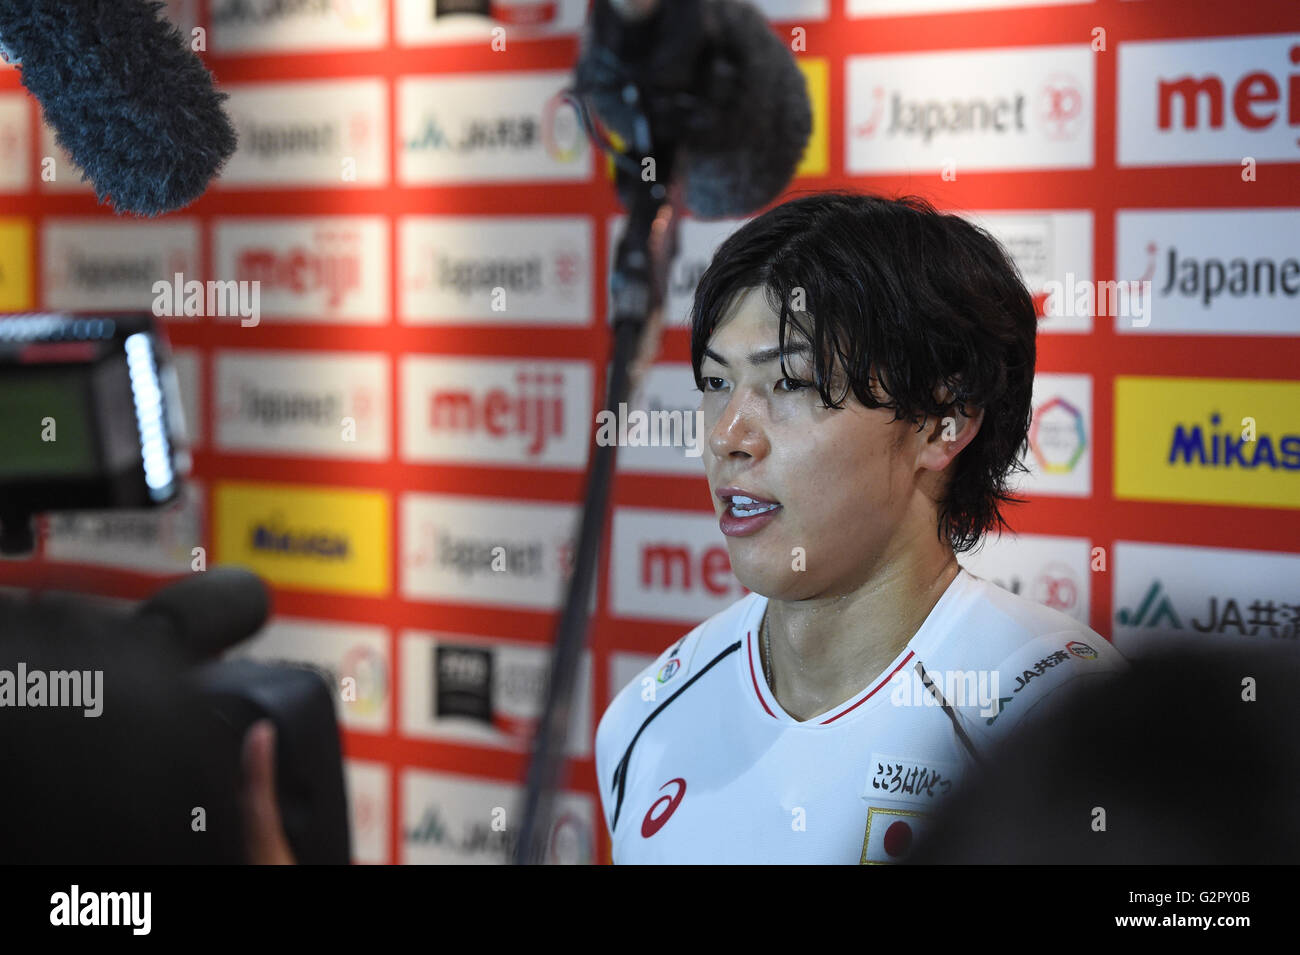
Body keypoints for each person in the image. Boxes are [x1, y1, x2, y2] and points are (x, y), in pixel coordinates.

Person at [594, 191, 1128, 864]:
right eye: (715, 382)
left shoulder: (1057, 721)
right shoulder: (646, 718)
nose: (728, 436)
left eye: (791, 383)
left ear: (944, 421)